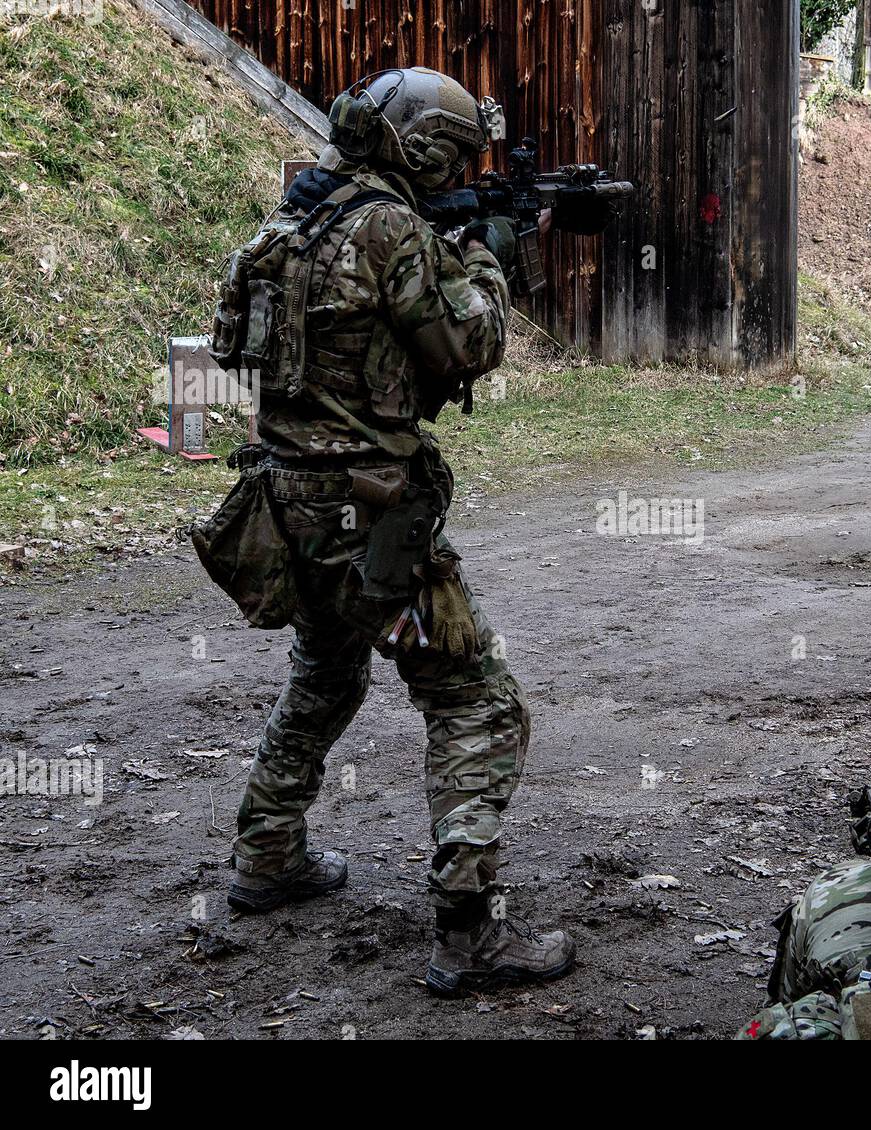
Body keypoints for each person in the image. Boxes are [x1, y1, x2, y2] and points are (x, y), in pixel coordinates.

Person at [204, 67, 574, 996]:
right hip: (373, 516)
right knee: (476, 700)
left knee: (325, 674)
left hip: (286, 503)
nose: (453, 174)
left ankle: (266, 855)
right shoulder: (392, 229)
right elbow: (469, 345)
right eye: (448, 157)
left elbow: (234, 349)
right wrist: (486, 255)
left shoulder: (290, 224)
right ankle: (466, 930)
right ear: (414, 148)